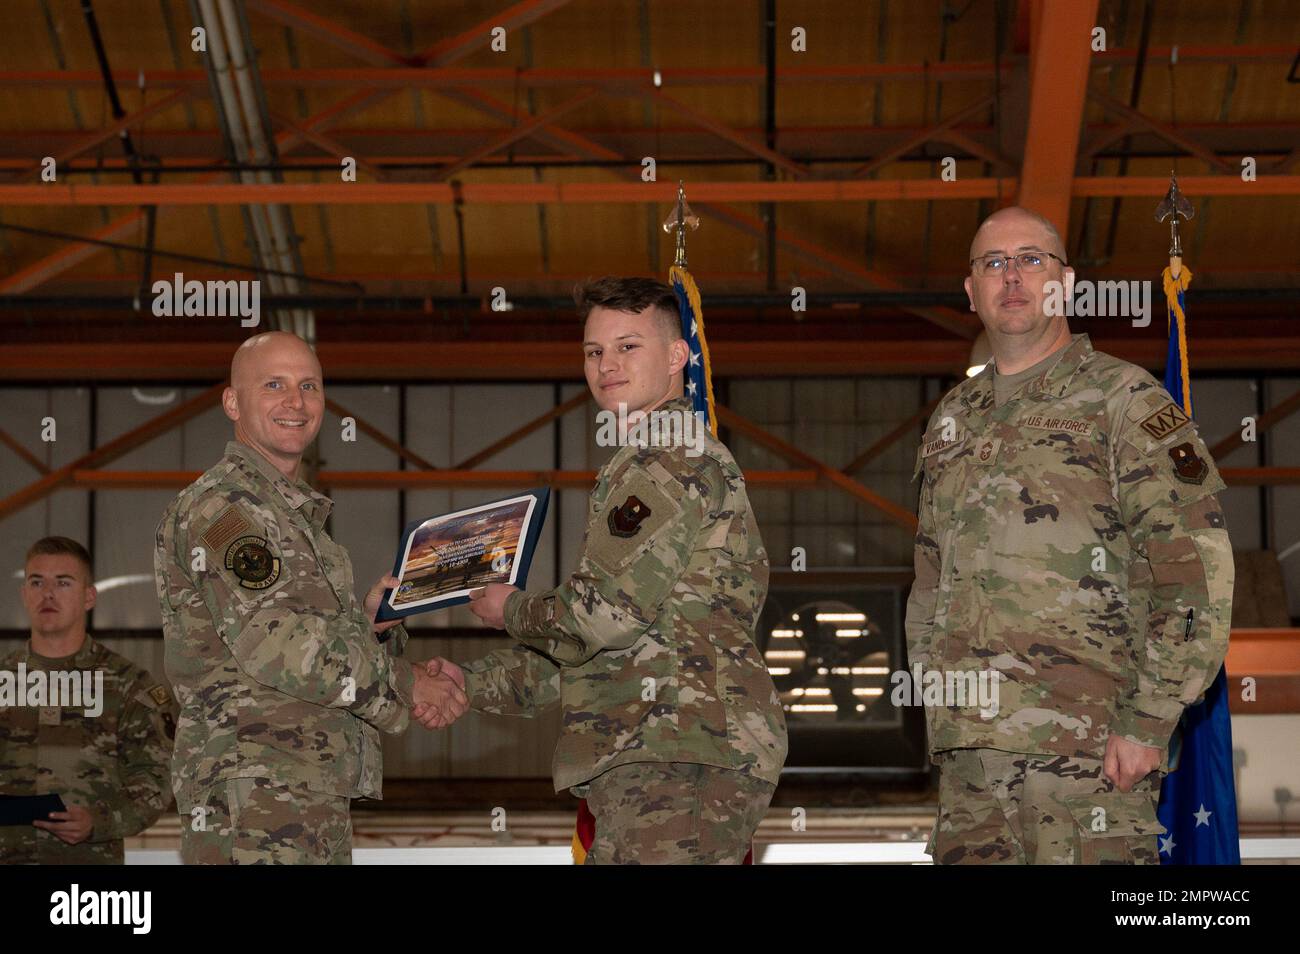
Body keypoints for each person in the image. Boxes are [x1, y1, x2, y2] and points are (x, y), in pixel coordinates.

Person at [416, 277, 787, 864]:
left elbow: (603, 616)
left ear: (676, 356)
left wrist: (507, 608)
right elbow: (606, 652)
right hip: (666, 747)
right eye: (594, 351)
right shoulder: (650, 458)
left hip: (675, 753)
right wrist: (473, 684)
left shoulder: (666, 457)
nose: (607, 365)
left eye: (628, 346)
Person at [906, 206, 1234, 864]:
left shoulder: (1125, 400)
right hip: (971, 765)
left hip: (1088, 755)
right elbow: (929, 577)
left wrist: (1147, 722)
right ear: (971, 291)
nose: (1013, 276)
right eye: (992, 263)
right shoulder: (952, 418)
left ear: (1067, 283)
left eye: (1033, 259)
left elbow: (1196, 570)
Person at [154, 331, 465, 864]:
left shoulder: (291, 514)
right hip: (252, 792)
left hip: (299, 785)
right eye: (274, 384)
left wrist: (367, 625)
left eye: (309, 386)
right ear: (233, 401)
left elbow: (293, 630)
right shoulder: (225, 508)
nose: (295, 402)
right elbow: (276, 642)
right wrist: (407, 682)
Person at [0, 537, 175, 864]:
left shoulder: (128, 686)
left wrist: (100, 820)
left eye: (63, 583)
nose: (48, 594)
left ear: (89, 596)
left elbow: (157, 781)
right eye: (37, 582)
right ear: (24, 594)